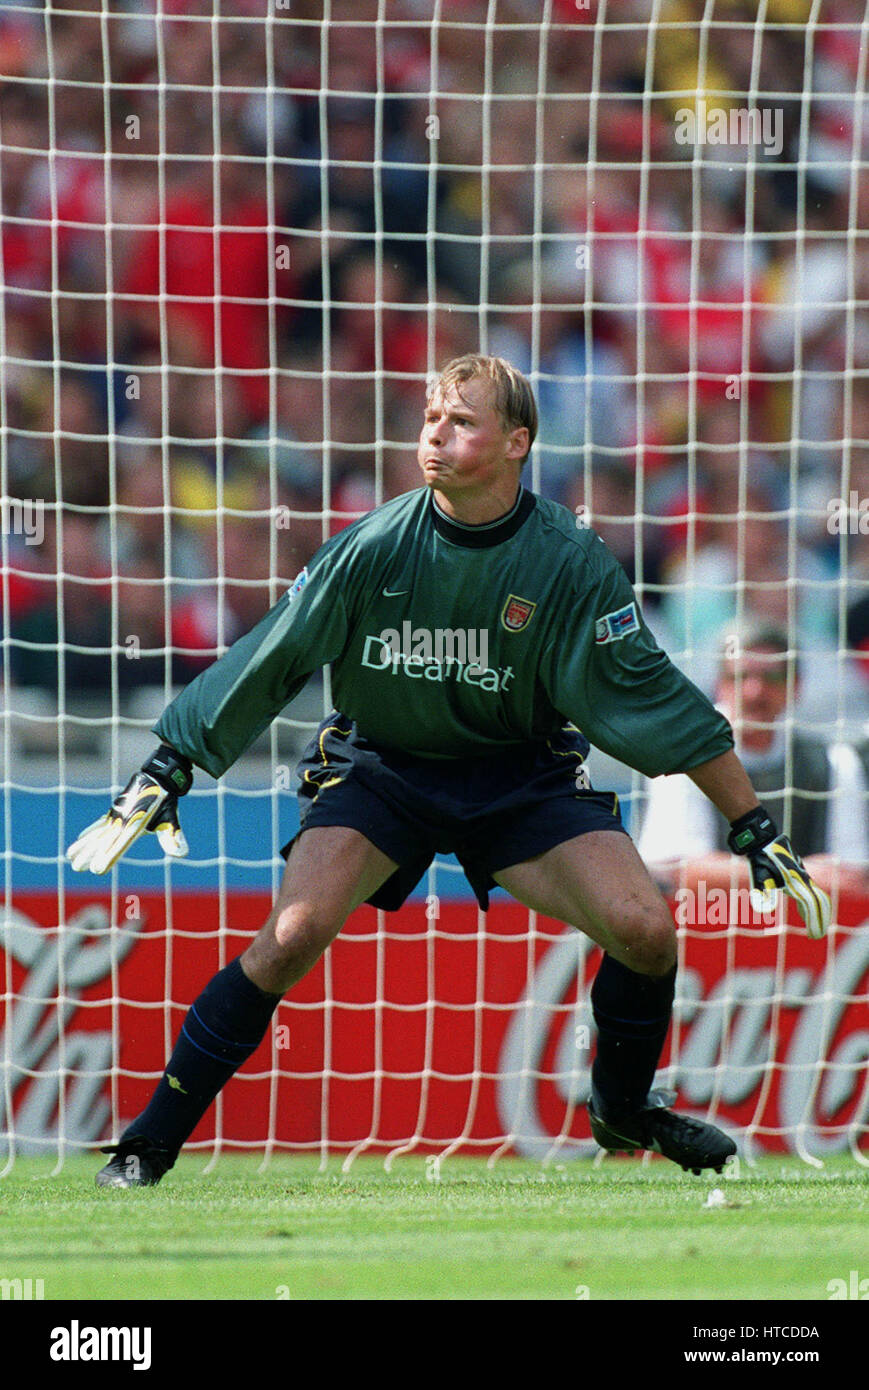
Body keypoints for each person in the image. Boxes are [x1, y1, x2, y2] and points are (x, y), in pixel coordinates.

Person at [67, 355, 830, 1188]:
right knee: (288, 940)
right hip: (381, 768)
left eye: (461, 421)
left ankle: (621, 1108)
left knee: (645, 930)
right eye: (432, 416)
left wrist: (751, 822)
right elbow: (270, 655)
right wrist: (169, 764)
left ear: (516, 443)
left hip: (520, 777)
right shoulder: (373, 544)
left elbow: (653, 694)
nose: (435, 433)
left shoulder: (570, 560)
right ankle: (147, 1144)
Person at [638, 621, 869, 901]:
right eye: (740, 676)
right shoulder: (682, 755)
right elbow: (677, 871)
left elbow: (851, 877)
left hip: (803, 922)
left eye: (772, 678)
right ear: (719, 685)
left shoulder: (834, 760)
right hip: (702, 917)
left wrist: (732, 873)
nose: (754, 692)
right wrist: (795, 872)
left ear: (796, 685)